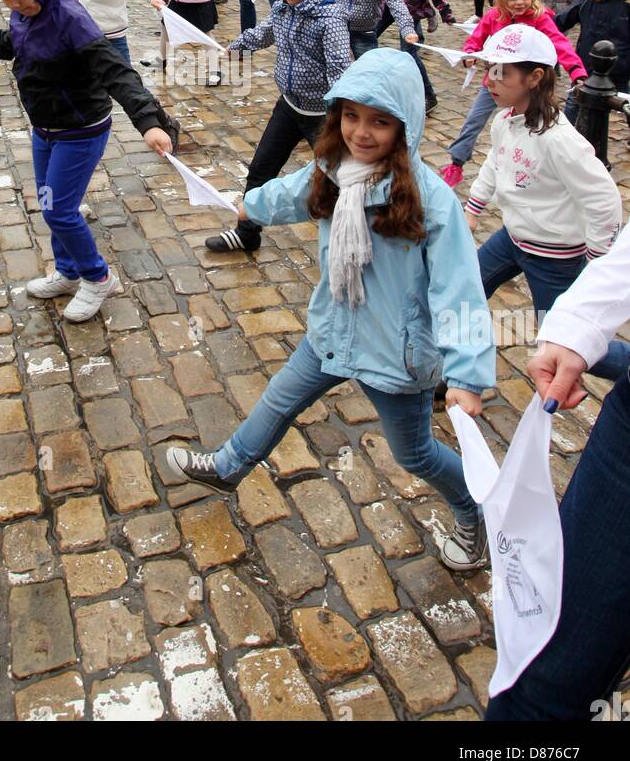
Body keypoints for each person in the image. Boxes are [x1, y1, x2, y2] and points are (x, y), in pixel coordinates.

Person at [175, 49, 496, 570]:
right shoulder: (332, 168)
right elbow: (289, 194)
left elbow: (459, 290)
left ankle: (477, 510)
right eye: (351, 116)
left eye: (380, 121)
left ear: (405, 124)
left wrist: (466, 373)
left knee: (412, 454)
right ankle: (228, 466)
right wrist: (246, 203)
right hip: (334, 327)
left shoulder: (433, 202)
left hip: (396, 352)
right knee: (280, 399)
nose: (361, 133)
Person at [0, 0, 173, 322]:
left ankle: (98, 277)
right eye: (7, 0)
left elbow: (116, 72)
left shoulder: (71, 19)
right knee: (49, 205)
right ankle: (68, 269)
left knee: (60, 209)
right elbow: (15, 37)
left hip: (81, 129)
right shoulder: (25, 11)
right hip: (46, 128)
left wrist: (148, 122)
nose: (15, 5)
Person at [484, 224, 630, 722]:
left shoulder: (564, 145)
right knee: (543, 675)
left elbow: (598, 200)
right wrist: (578, 324)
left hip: (551, 248)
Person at [464, 24, 621, 315]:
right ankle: (447, 346)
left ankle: (620, 361)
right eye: (489, 69)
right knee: (465, 290)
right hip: (511, 237)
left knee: (559, 340)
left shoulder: (559, 139)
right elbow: (494, 161)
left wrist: (597, 262)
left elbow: (603, 198)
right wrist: (473, 209)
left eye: (500, 73)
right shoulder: (504, 121)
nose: (489, 81)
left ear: (535, 77)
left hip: (555, 257)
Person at [205, 0, 350, 254]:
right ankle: (247, 233)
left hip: (321, 116)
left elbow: (341, 70)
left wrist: (340, 117)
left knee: (337, 178)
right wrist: (239, 44)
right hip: (288, 106)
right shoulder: (283, 8)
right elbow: (264, 33)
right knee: (261, 168)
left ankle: (351, 241)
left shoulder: (330, 20)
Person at [439, 0, 587, 187]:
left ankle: (541, 167)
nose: (520, 2)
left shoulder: (540, 18)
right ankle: (457, 163)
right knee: (473, 121)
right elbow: (476, 39)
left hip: (529, 85)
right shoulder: (493, 16)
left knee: (539, 124)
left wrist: (577, 72)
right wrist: (469, 54)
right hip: (496, 76)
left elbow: (560, 44)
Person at [554, 0, 630, 126]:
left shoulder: (627, 3)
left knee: (626, 106)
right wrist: (538, 24)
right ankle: (566, 140)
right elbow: (562, 21)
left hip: (619, 69)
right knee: (573, 107)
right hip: (586, 69)